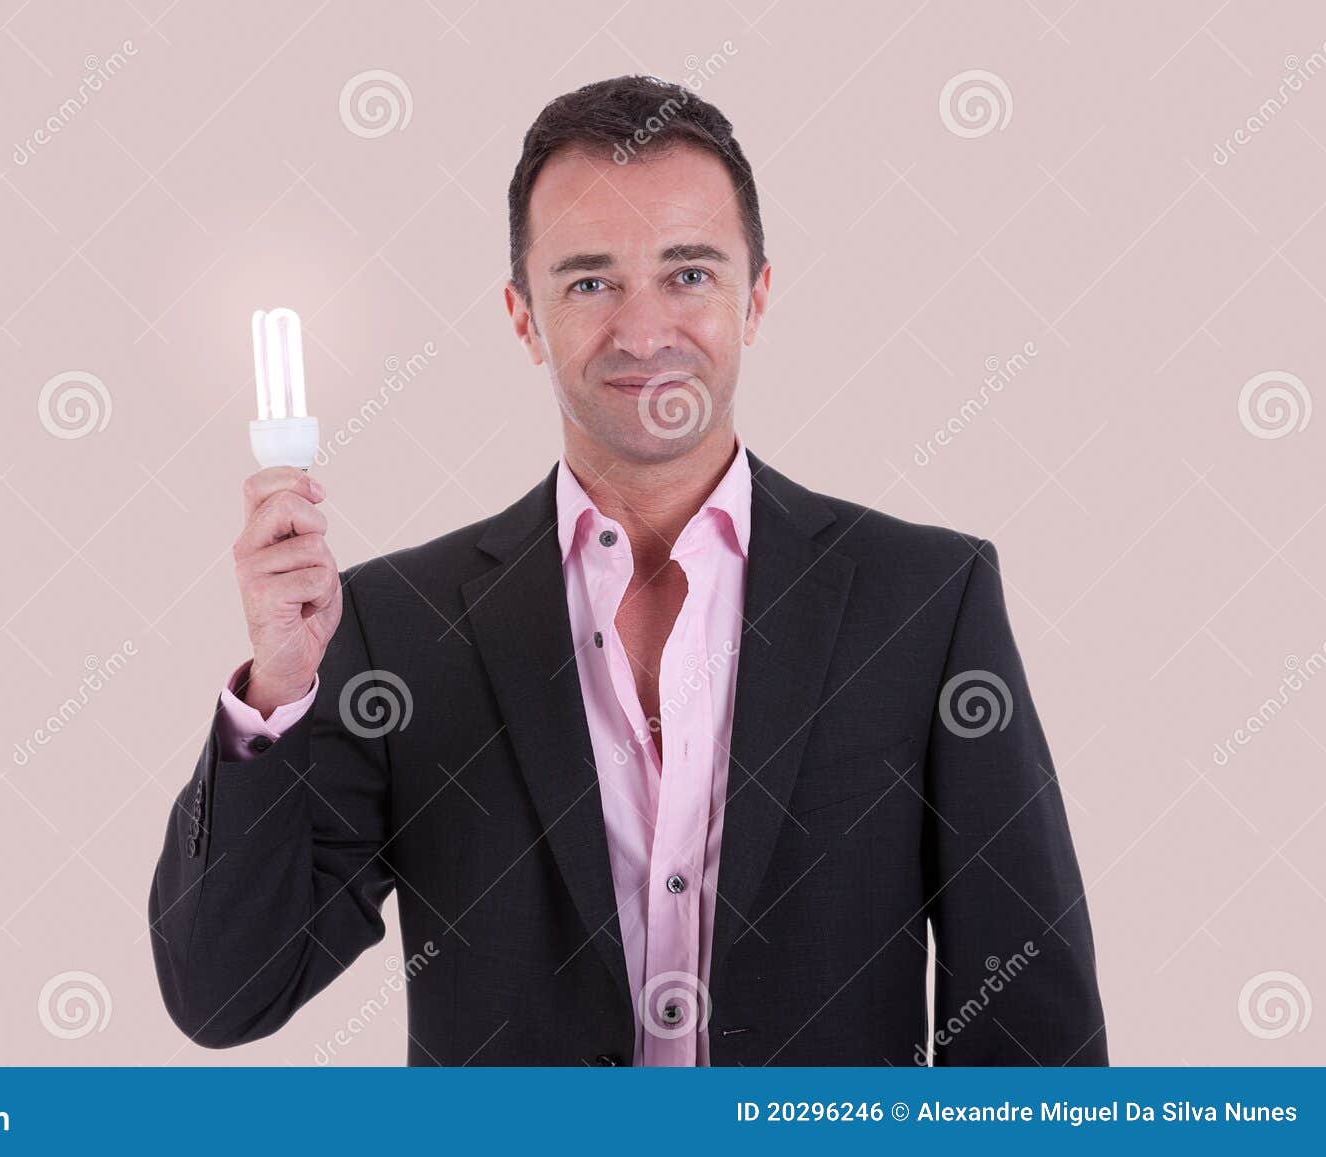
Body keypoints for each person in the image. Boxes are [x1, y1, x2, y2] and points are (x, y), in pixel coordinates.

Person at [148, 74, 1107, 1067]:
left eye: (688, 274)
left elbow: (1031, 1030)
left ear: (756, 296)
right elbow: (225, 992)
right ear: (524, 317)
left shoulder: (924, 601)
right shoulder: (397, 624)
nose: (645, 334)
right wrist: (274, 689)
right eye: (590, 281)